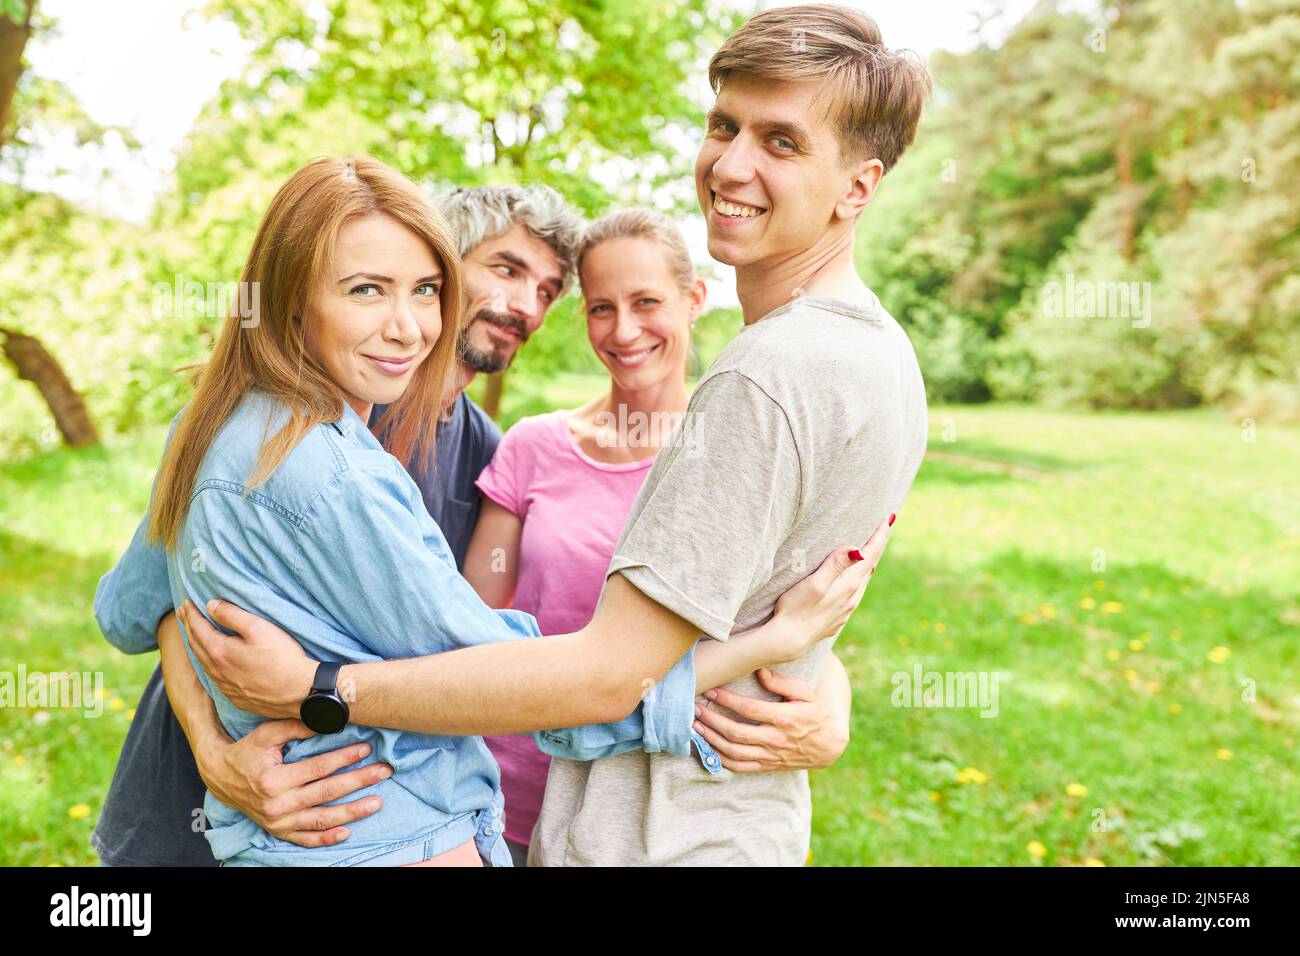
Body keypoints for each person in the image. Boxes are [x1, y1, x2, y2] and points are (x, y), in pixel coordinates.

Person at [180, 2, 930, 866]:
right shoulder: (879, 356)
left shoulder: (764, 377)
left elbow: (609, 676)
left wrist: (319, 689)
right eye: (724, 125)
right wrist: (785, 651)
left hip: (657, 838)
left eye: (782, 142)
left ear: (859, 186)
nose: (730, 163)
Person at [91, 184, 581, 866]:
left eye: (549, 289)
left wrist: (316, 686)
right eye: (506, 268)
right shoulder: (271, 424)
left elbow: (462, 656)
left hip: (358, 821)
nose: (526, 304)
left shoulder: (487, 459)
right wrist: (215, 752)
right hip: (189, 809)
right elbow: (140, 600)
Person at [463, 208, 856, 866]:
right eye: (600, 308)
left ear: (695, 298)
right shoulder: (533, 446)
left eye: (647, 302)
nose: (623, 331)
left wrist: (834, 716)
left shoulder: (741, 454)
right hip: (504, 797)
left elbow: (801, 619)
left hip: (650, 813)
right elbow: (470, 630)